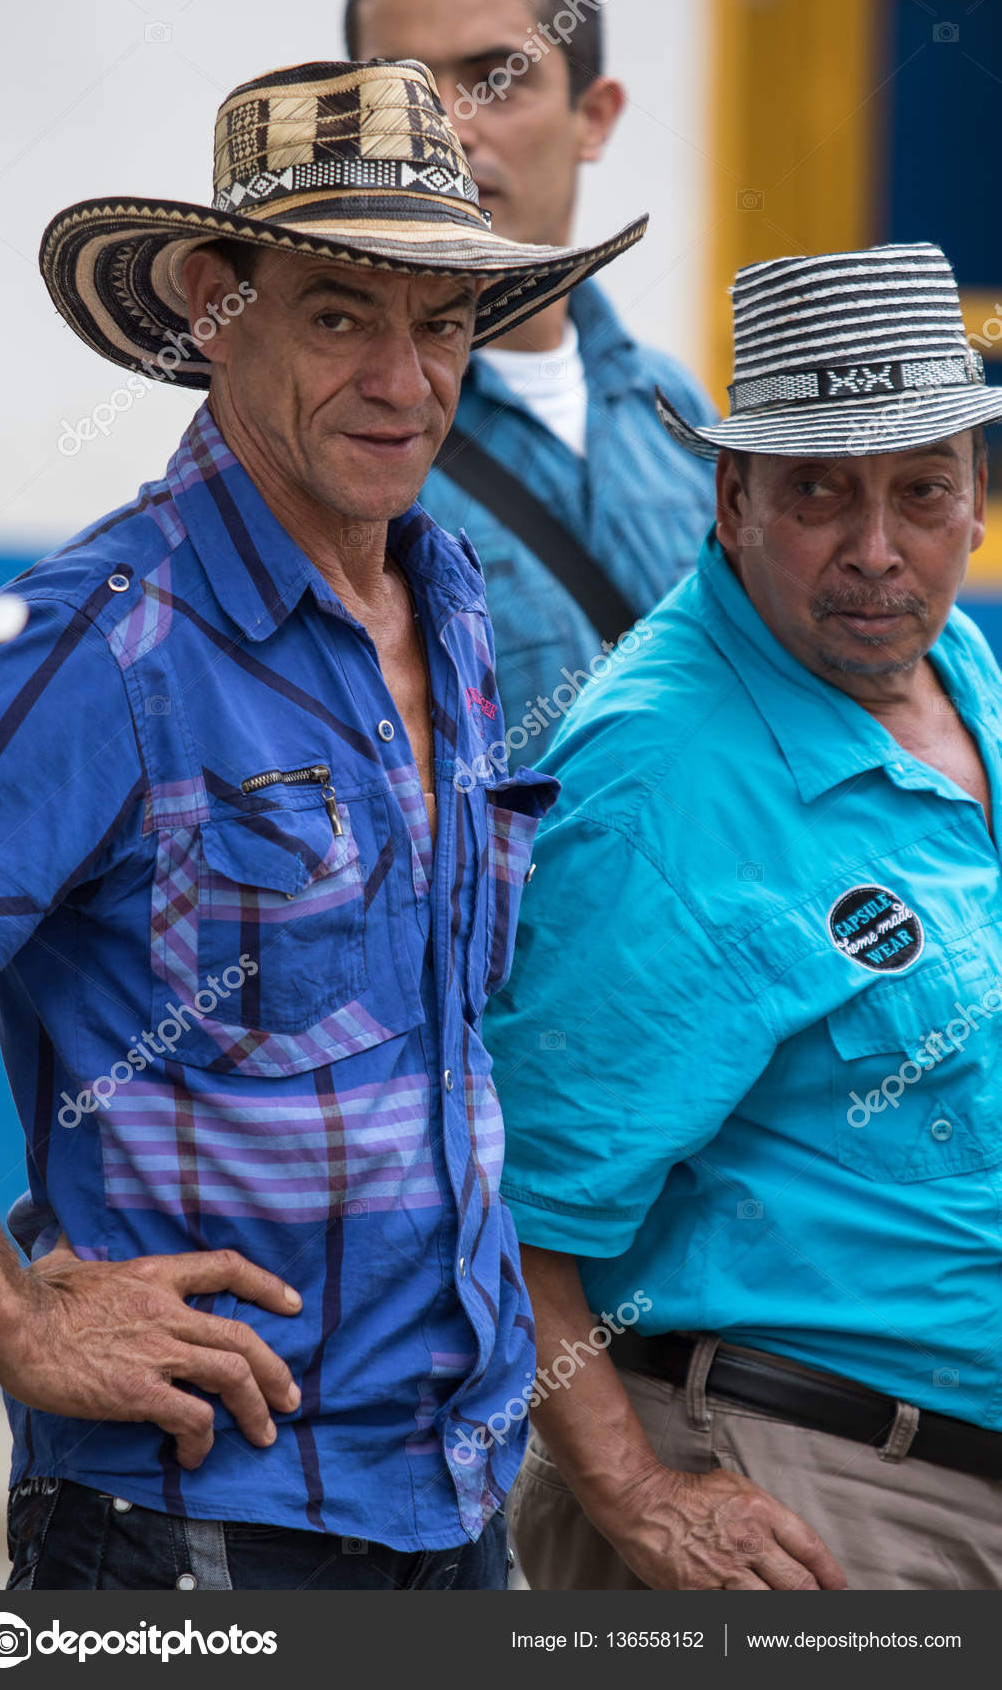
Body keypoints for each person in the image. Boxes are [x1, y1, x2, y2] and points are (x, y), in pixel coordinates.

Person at [0, 57, 649, 1591]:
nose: (403, 380)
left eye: (442, 322)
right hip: (197, 1534)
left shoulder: (444, 607)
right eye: (339, 314)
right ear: (217, 304)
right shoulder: (101, 636)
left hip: (450, 1514)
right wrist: (8, 1310)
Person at [483, 241, 1002, 1591]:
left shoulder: (948, 657)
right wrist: (642, 1502)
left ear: (976, 500)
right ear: (729, 498)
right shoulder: (660, 783)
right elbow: (508, 1205)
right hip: (809, 1502)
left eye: (919, 491)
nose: (875, 549)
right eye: (817, 492)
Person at [345, 0, 716, 770]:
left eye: (497, 78)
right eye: (398, 93)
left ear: (595, 117)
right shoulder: (340, 427)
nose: (448, 128)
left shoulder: (671, 406)